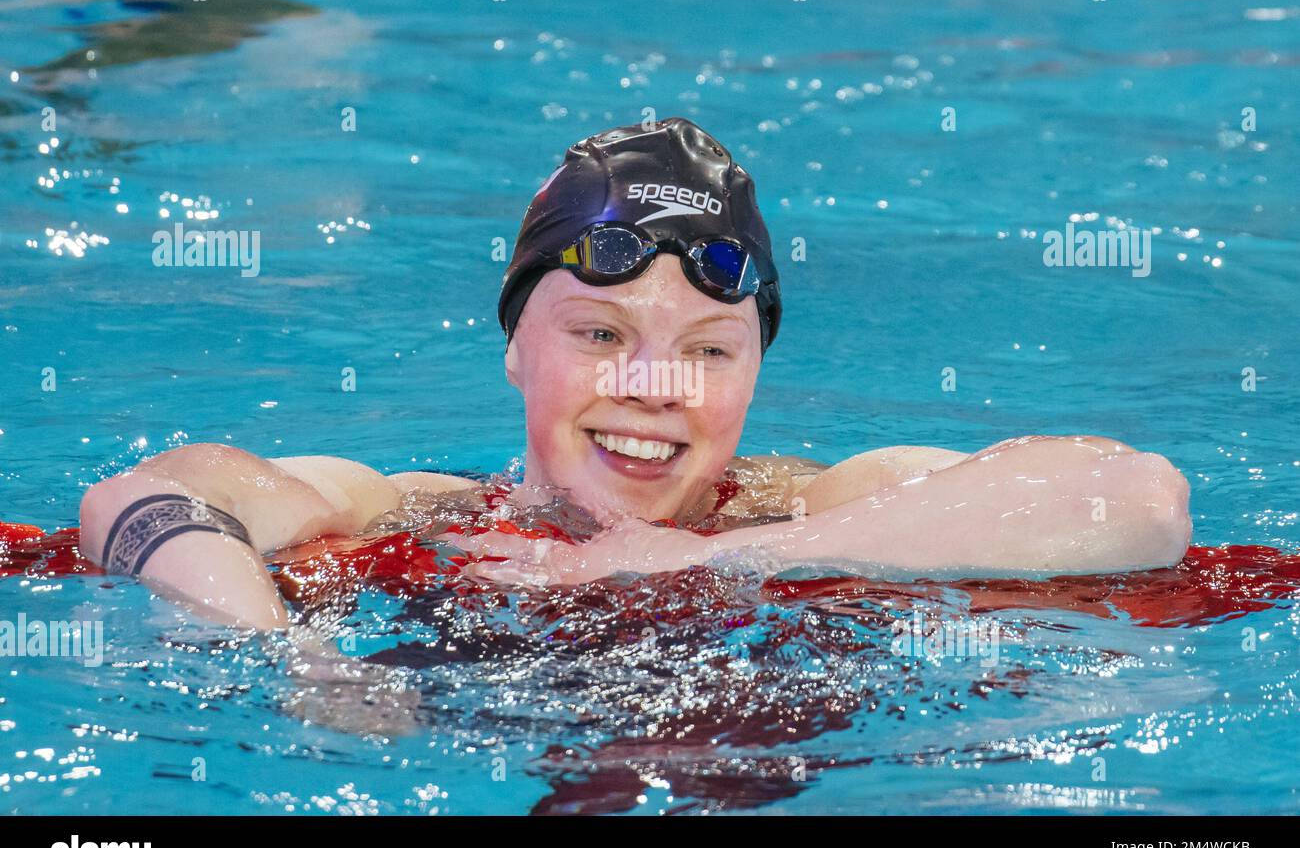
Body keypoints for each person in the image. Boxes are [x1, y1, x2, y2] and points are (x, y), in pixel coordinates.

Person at [78, 117, 1191, 629]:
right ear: (515, 343)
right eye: (601, 335)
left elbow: (1139, 501)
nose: (655, 386)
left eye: (708, 349)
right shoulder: (409, 513)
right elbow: (142, 499)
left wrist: (706, 555)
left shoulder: (812, 502)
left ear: (757, 366)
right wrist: (297, 663)